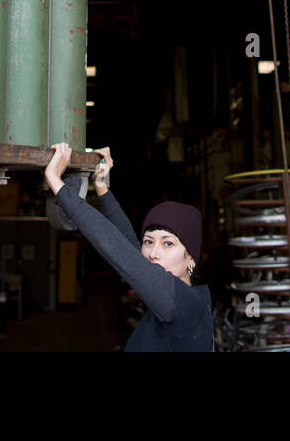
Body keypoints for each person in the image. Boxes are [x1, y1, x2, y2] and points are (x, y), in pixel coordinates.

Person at [43, 142, 213, 351]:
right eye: (148, 241)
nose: (153, 254)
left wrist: (56, 182)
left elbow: (117, 248)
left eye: (168, 243)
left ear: (191, 258)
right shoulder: (187, 295)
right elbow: (127, 242)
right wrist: (101, 186)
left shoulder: (185, 305)